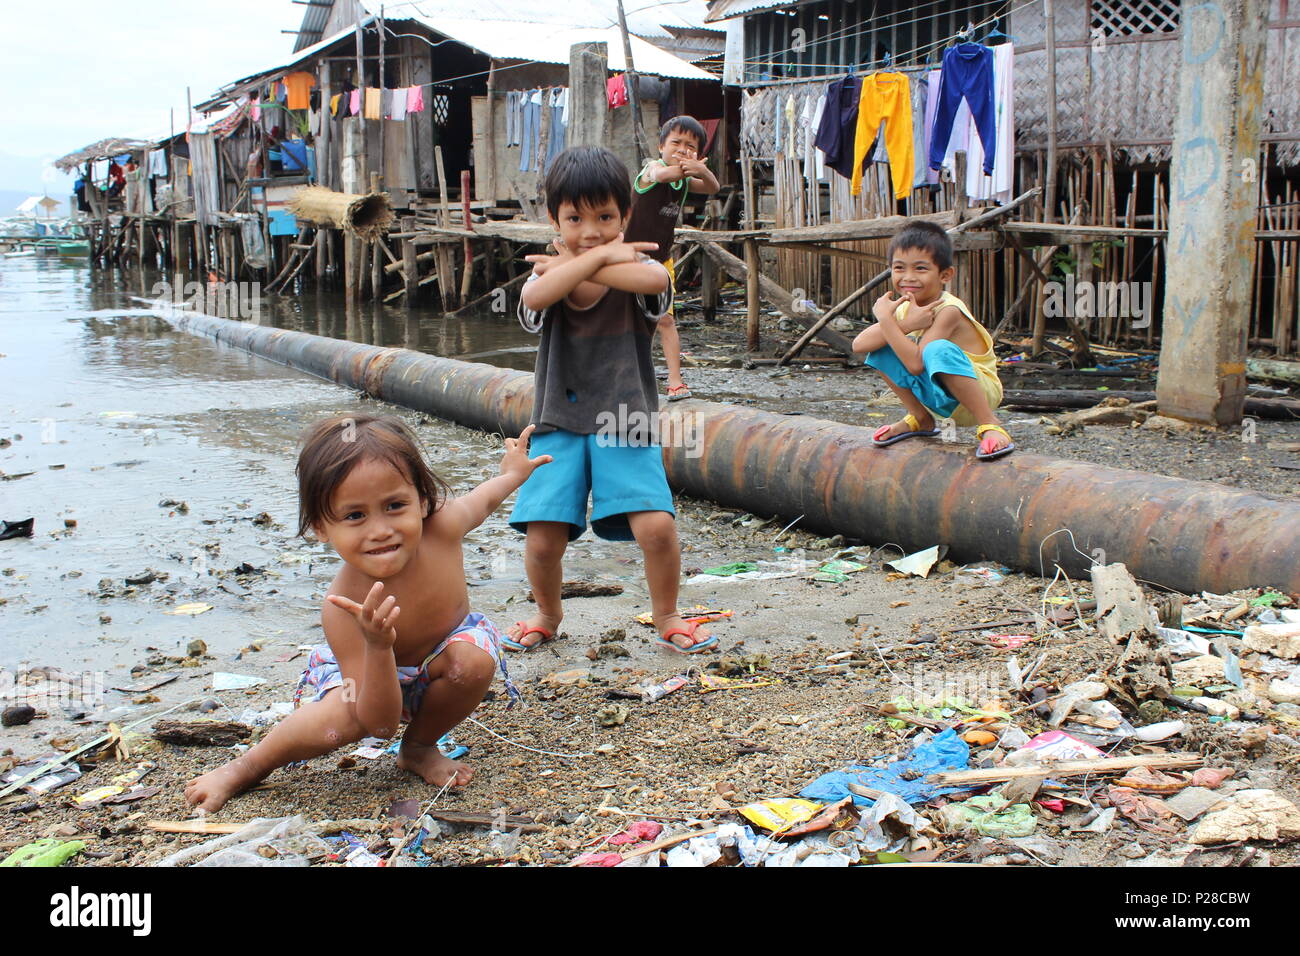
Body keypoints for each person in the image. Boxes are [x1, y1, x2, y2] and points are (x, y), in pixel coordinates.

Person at [184, 415, 550, 812]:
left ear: (423, 502)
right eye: (355, 515)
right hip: (369, 684)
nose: (380, 530)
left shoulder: (443, 526)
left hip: (439, 657)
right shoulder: (342, 606)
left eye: (395, 506)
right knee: (338, 721)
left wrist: (513, 473)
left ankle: (420, 747)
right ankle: (248, 766)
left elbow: (484, 498)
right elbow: (378, 724)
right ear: (321, 528)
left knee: (473, 662)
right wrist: (378, 647)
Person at [504, 145, 717, 655]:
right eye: (575, 218)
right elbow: (534, 298)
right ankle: (547, 613)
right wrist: (599, 258)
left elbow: (655, 279)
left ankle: (666, 613)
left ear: (625, 216)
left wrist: (584, 261)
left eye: (604, 217)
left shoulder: (638, 269)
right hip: (558, 418)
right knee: (542, 538)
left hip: (626, 417)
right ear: (554, 219)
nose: (591, 230)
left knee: (658, 528)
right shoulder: (544, 279)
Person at [851, 220, 1014, 460]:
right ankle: (920, 418)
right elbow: (859, 346)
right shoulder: (904, 308)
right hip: (939, 398)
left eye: (920, 269)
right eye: (899, 268)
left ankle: (990, 425)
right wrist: (902, 323)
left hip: (978, 395)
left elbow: (917, 364)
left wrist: (886, 319)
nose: (908, 277)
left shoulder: (949, 310)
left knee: (936, 349)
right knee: (879, 348)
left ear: (945, 274)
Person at [625, 116, 720, 402]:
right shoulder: (650, 169)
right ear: (661, 146)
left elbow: (713, 187)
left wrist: (702, 169)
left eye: (690, 146)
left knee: (664, 321)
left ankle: (675, 382)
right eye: (675, 143)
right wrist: (688, 168)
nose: (682, 149)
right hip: (628, 260)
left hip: (661, 262)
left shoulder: (686, 182)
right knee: (627, 321)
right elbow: (663, 176)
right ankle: (626, 376)